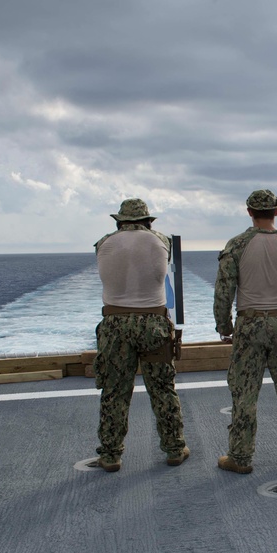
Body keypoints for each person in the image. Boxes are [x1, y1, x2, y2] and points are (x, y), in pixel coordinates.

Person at [214, 189, 277, 474]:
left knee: (244, 392)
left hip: (249, 325)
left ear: (249, 212)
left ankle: (240, 457)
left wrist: (225, 326)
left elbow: (223, 292)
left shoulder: (236, 245)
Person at [93, 198, 188, 472]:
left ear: (119, 222)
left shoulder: (103, 243)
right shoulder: (161, 241)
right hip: (153, 323)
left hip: (114, 324)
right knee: (162, 389)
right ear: (147, 221)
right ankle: (174, 449)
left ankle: (110, 454)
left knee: (114, 391)